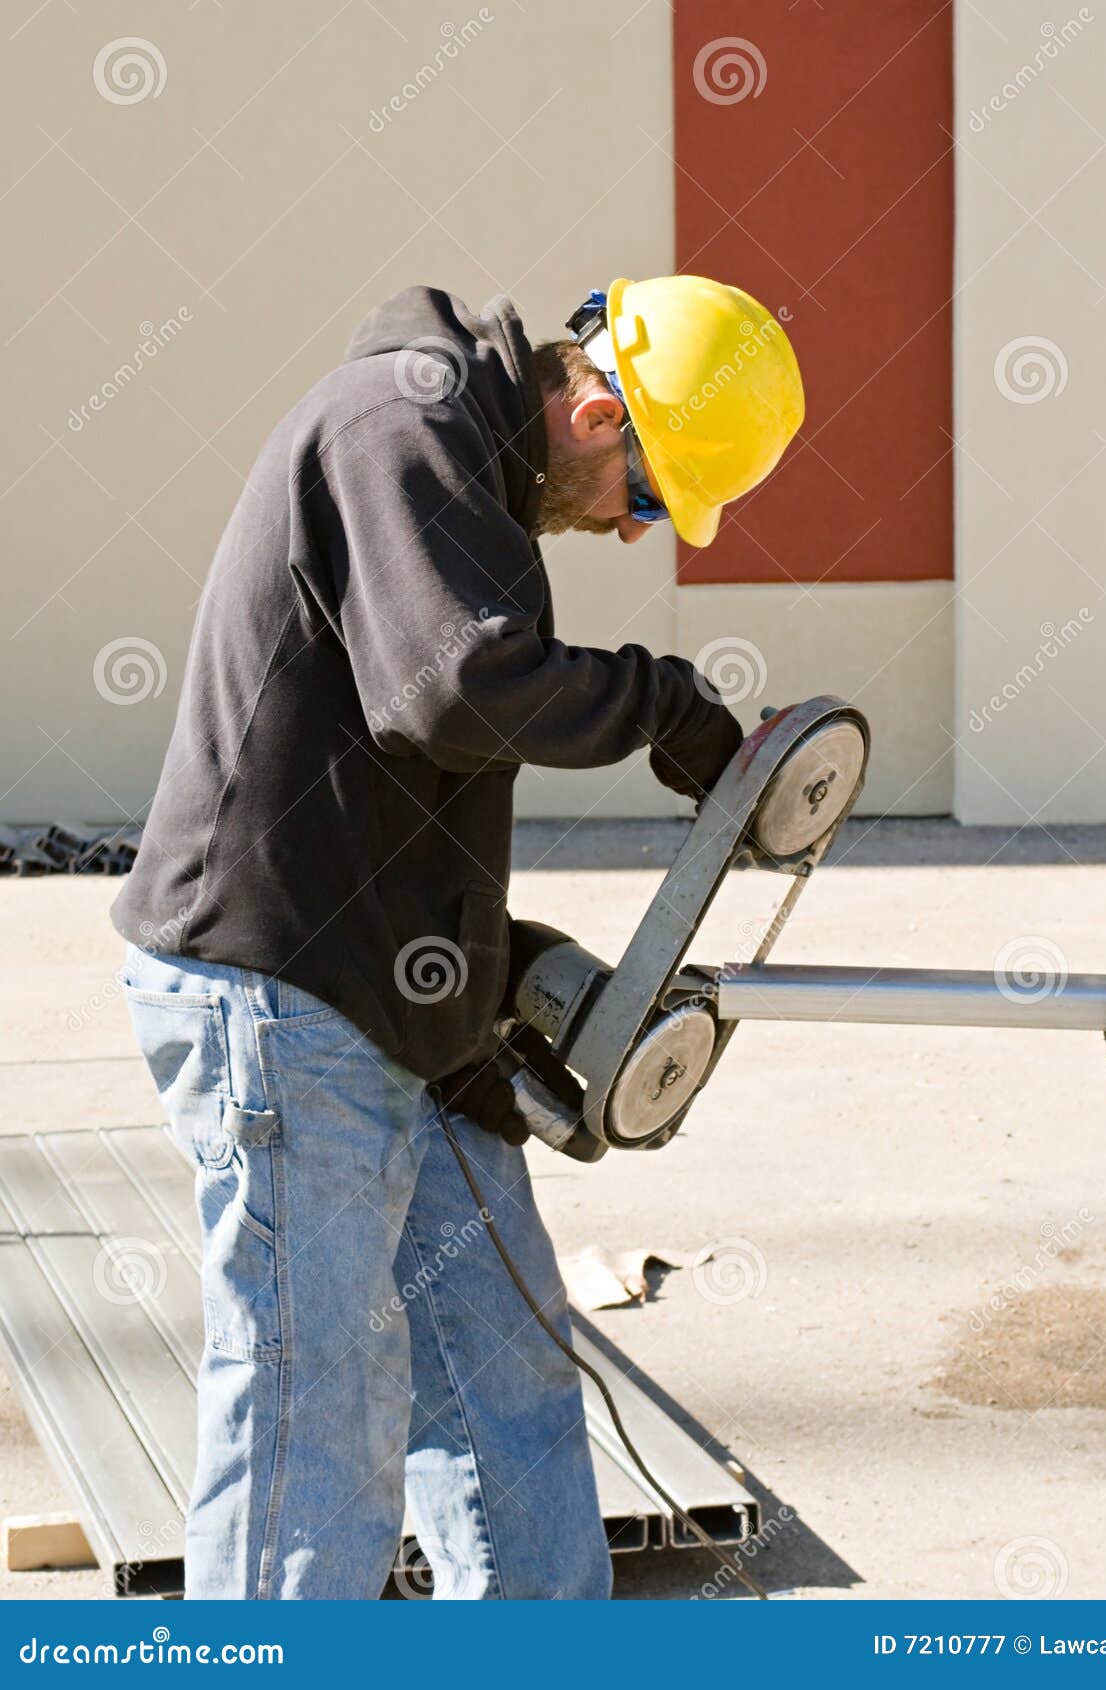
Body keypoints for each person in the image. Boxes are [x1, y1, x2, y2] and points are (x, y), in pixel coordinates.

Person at [113, 275, 804, 1600]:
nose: (631, 528)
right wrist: (663, 705)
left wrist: (472, 992)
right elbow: (452, 693)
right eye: (649, 494)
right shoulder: (401, 428)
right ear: (597, 413)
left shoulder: (466, 477)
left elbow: (408, 778)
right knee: (318, 1413)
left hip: (383, 998)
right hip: (281, 990)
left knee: (503, 1370)